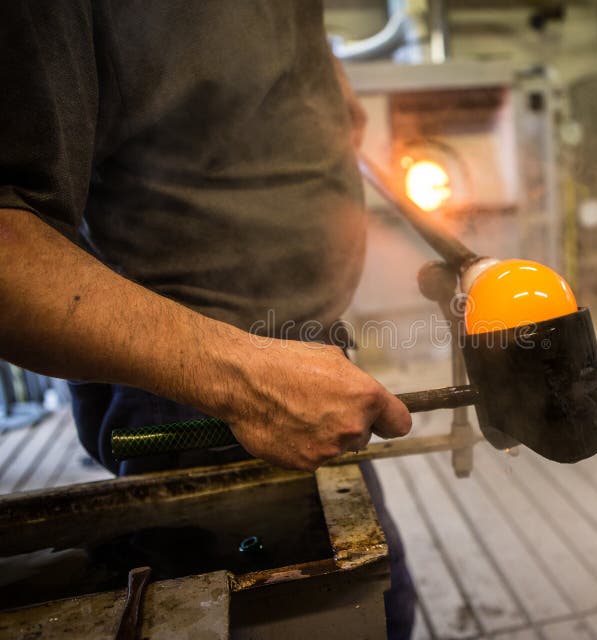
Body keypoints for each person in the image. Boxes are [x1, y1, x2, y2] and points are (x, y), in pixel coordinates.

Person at [0, 2, 415, 637]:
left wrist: (317, 76)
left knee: (387, 605)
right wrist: (249, 379)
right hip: (203, 400)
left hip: (309, 369)